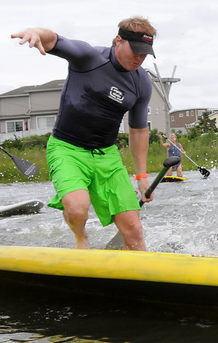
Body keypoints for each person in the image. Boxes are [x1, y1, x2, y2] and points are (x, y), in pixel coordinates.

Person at [11, 17, 157, 250]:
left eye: (145, 53)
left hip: (106, 155)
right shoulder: (89, 57)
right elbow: (56, 40)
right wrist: (36, 32)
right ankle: (81, 238)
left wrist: (141, 178)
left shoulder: (141, 82)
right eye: (136, 50)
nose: (140, 58)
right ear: (118, 40)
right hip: (67, 148)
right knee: (78, 208)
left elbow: (138, 130)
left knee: (135, 232)